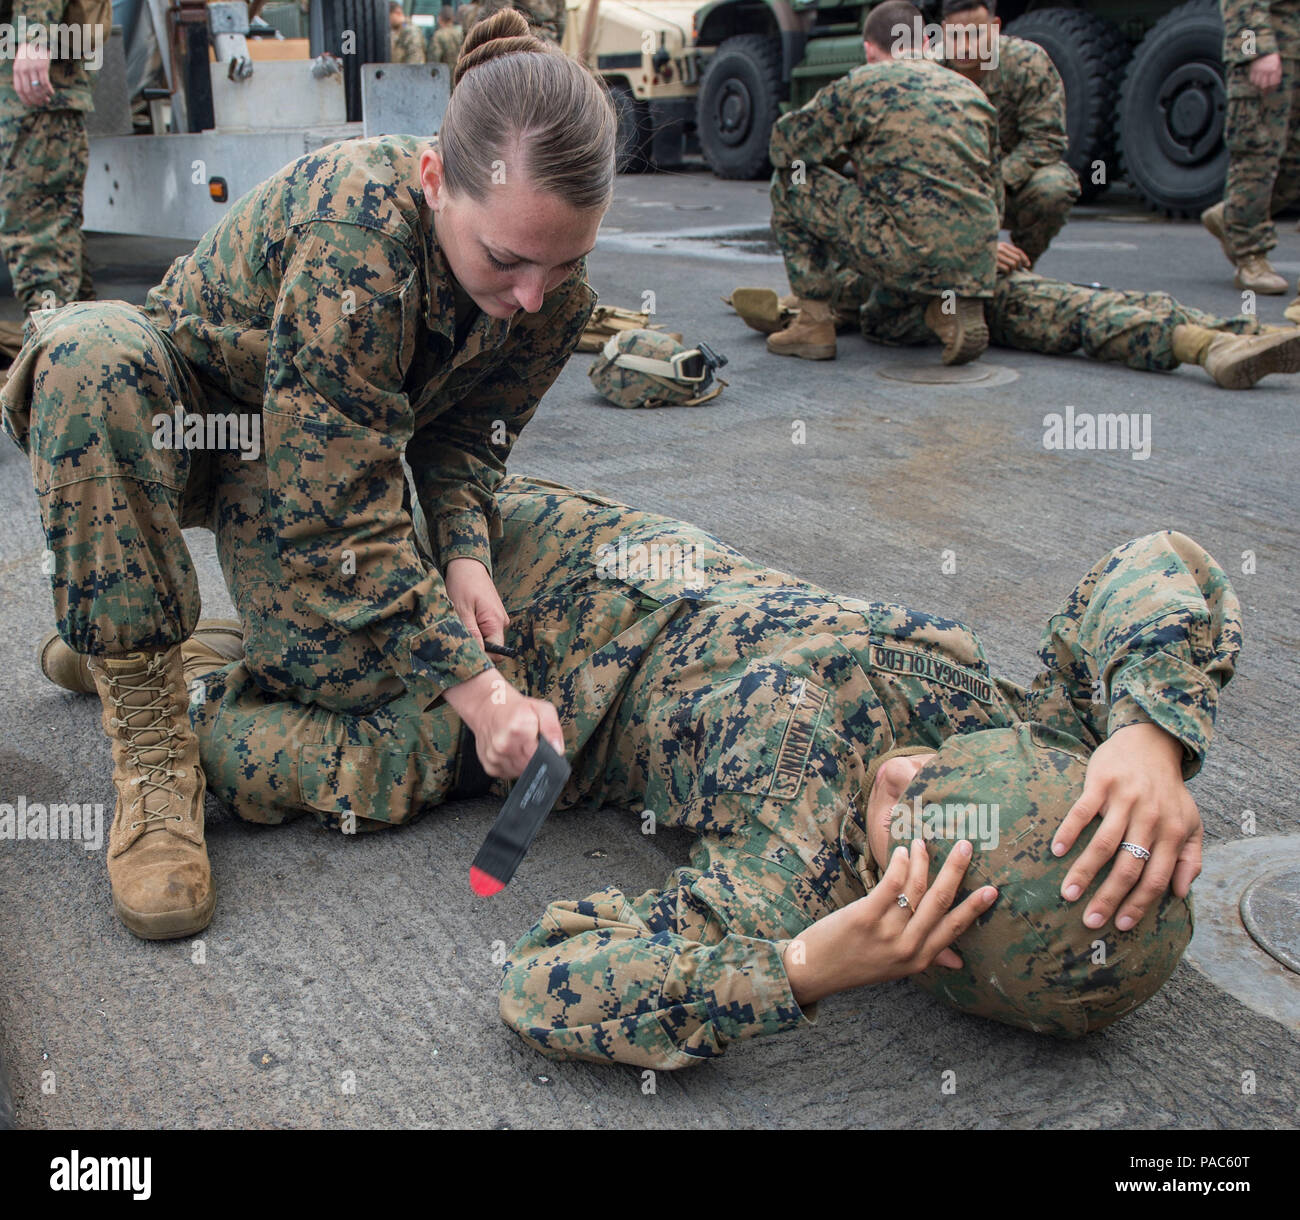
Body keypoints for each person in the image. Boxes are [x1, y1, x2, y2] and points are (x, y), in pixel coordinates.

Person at [4, 10, 616, 941]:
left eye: (565, 262)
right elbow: (339, 515)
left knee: (357, 684)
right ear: (433, 180)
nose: (532, 295)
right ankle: (149, 731)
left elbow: (466, 440)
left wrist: (463, 555)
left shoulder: (552, 299)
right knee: (87, 355)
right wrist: (482, 692)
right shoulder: (358, 236)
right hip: (184, 426)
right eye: (505, 259)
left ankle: (155, 646)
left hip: (303, 454)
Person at [448, 480, 1231, 1067]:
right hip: (623, 549)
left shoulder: (793, 883)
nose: (900, 780)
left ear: (933, 943)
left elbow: (539, 984)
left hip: (518, 682)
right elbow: (1169, 562)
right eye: (949, 769)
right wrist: (1151, 736)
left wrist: (802, 969)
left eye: (911, 835)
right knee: (420, 476)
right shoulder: (1042, 751)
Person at [729, 238, 1300, 390]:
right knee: (1086, 314)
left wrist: (979, 250)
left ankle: (1255, 333)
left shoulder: (859, 249)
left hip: (985, 283)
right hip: (978, 299)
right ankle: (1211, 349)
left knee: (1119, 300)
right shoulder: (854, 281)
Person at [767, 0, 1000, 366]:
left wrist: (842, 149)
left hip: (906, 251)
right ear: (926, 42)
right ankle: (946, 306)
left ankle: (813, 323)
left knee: (791, 180)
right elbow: (993, 183)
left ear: (869, 50)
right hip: (978, 256)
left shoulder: (864, 83)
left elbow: (785, 147)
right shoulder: (971, 91)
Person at [939, 0, 1080, 266]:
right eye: (955, 36)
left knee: (1054, 187)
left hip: (1008, 183)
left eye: (975, 35)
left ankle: (1019, 268)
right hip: (949, 187)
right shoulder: (931, 70)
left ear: (994, 28)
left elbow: (1046, 140)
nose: (965, 47)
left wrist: (993, 181)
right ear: (944, 30)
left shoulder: (1026, 63)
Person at [0, 0, 105, 317]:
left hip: (36, 90)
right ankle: (79, 337)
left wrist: (33, 35)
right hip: (19, 84)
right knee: (49, 227)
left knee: (37, 228)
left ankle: (55, 338)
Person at [1202, 0, 1300, 297]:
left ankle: (1232, 215)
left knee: (1293, 162)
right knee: (1258, 153)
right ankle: (1250, 257)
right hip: (1270, 49)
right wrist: (1256, 50)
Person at [431, 5, 466, 71]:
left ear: (439, 19)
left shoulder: (439, 35)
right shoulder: (461, 33)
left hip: (445, 74)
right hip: (460, 73)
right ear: (453, 18)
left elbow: (435, 58)